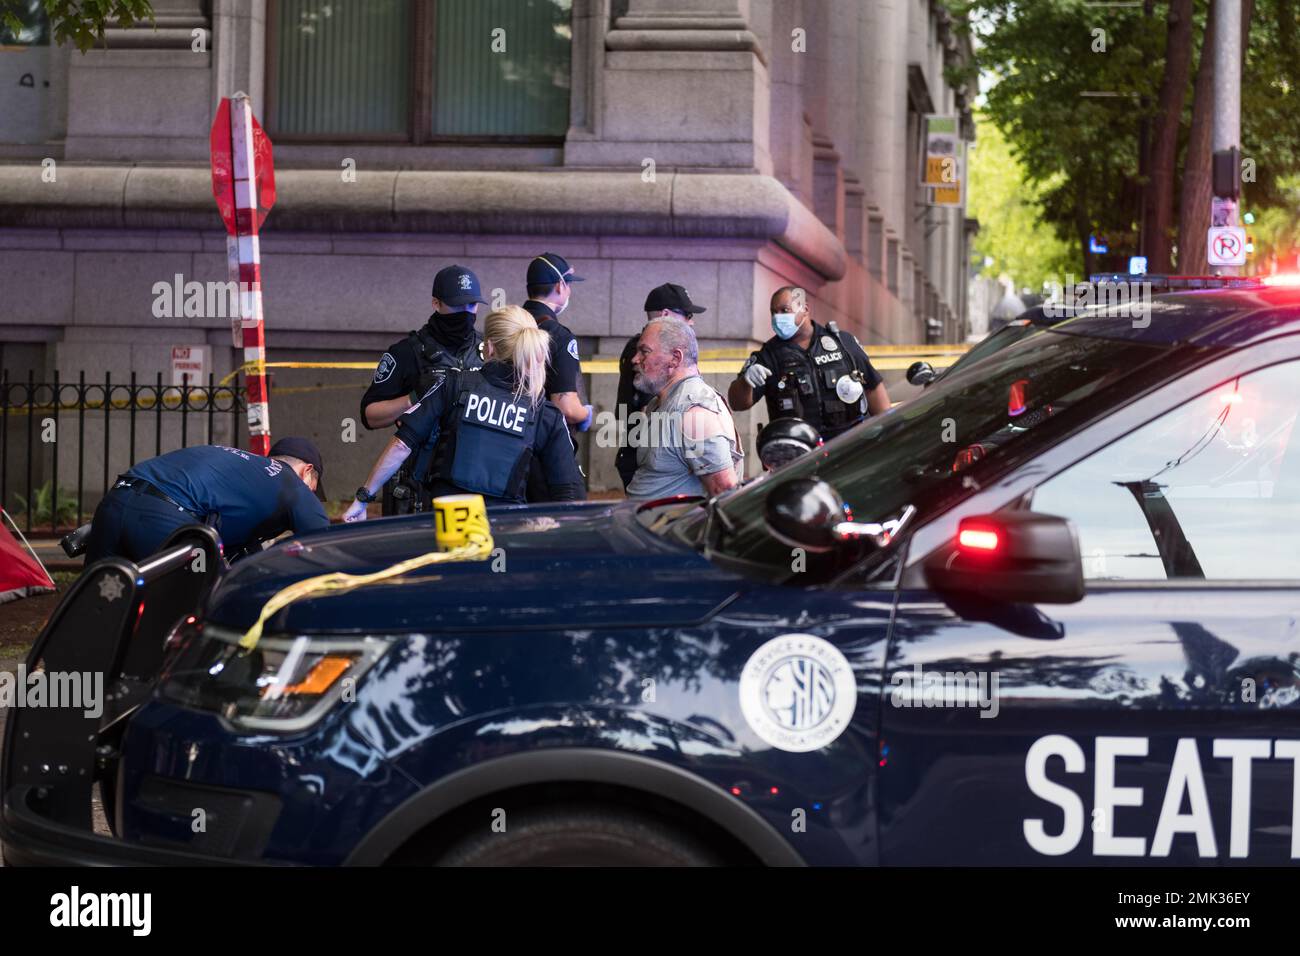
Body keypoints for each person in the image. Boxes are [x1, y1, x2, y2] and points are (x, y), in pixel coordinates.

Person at [344, 306, 586, 518]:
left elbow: (401, 445)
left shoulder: (452, 384)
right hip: (508, 530)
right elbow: (569, 492)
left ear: (489, 347)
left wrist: (363, 498)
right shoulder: (545, 414)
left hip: (448, 522)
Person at [360, 264, 486, 514]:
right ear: (436, 304)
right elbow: (370, 416)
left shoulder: (488, 351)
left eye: (471, 305)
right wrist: (413, 398)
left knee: (467, 552)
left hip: (471, 478)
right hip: (417, 483)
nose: (465, 312)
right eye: (457, 305)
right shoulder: (406, 353)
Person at [84, 437, 329, 563]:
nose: (312, 495)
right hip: (163, 516)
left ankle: (72, 660)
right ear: (307, 471)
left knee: (100, 601)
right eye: (314, 489)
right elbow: (325, 547)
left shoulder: (244, 469)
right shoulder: (295, 486)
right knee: (199, 608)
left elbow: (241, 550)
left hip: (116, 499)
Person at [728, 286, 891, 441]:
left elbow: (873, 388)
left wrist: (888, 433)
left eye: (785, 310)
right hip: (798, 451)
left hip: (849, 444)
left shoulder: (842, 342)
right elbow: (737, 403)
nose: (778, 317)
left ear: (805, 309)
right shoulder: (768, 355)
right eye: (773, 312)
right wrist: (746, 382)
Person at [625, 316, 743, 500]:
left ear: (675, 358)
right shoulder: (660, 403)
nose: (634, 359)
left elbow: (724, 490)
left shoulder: (695, 411)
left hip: (669, 528)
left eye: (644, 352)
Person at [614, 283, 708, 490]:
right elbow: (646, 410)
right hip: (645, 456)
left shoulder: (643, 347)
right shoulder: (649, 352)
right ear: (665, 314)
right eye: (687, 315)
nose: (691, 322)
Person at [521, 253, 592, 500]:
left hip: (505, 447)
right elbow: (567, 407)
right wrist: (587, 414)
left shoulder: (509, 328)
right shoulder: (558, 335)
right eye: (569, 284)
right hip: (545, 456)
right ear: (561, 285)